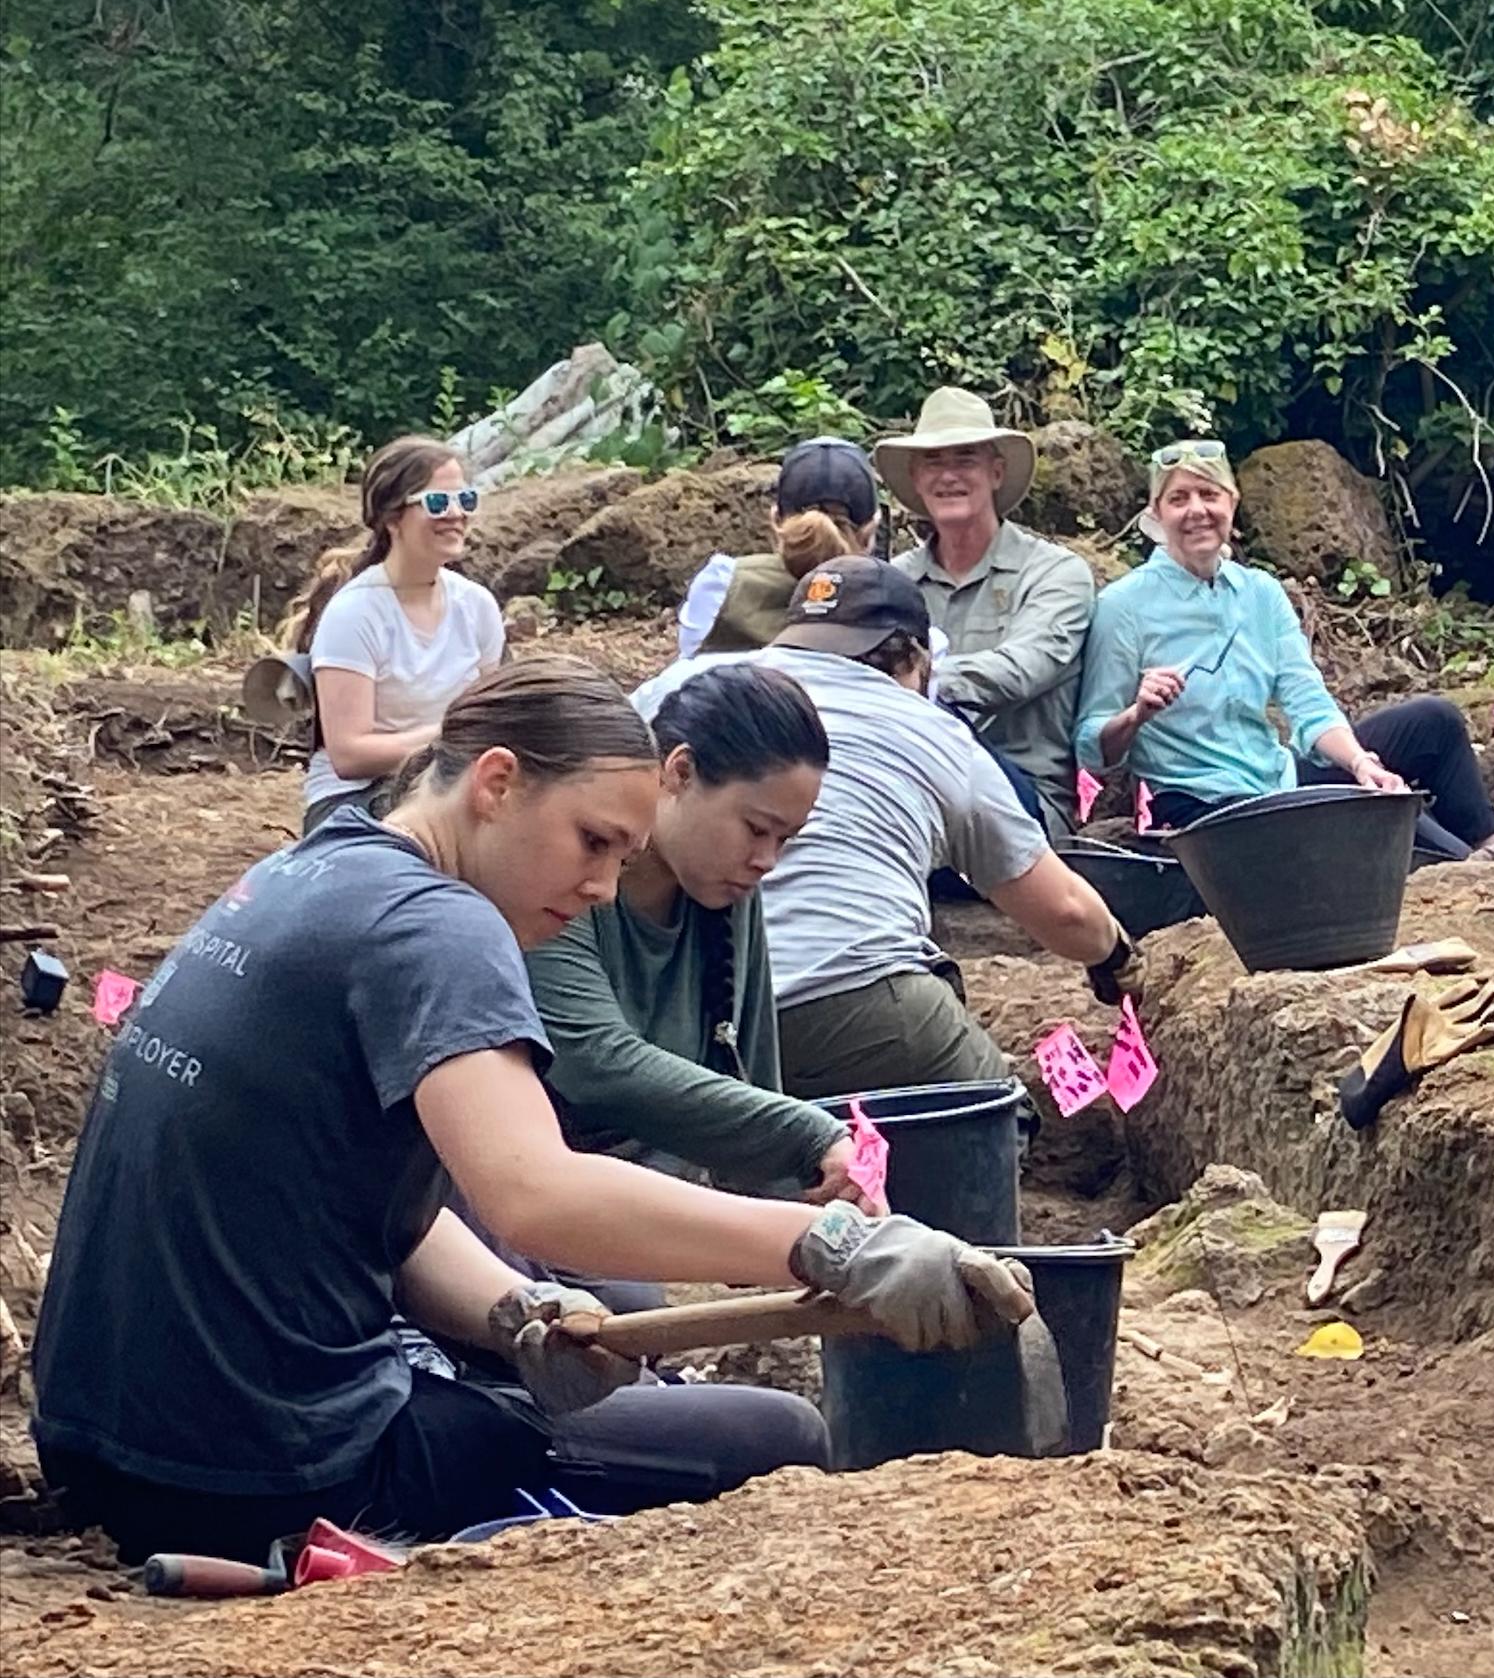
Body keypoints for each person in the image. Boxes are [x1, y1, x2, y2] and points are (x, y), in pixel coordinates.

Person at [30, 657, 1039, 1562]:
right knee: (776, 1438)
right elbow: (533, 1194)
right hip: (270, 1475)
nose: (603, 886)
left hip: (107, 1447)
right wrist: (831, 1244)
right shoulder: (439, 925)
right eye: (592, 842)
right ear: (497, 782)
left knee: (586, 1342)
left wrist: (516, 1317)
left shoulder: (315, 869)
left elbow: (385, 1212)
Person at [634, 557, 1136, 1100]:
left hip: (677, 1003)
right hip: (862, 999)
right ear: (916, 658)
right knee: (991, 1114)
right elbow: (1063, 909)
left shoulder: (680, 687)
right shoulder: (932, 729)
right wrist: (1117, 957)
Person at [524, 664, 868, 1207]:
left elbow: (753, 1081)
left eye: (786, 839)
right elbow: (595, 1063)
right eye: (756, 828)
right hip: (560, 1195)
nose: (767, 861)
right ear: (679, 772)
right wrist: (810, 1136)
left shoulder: (727, 891)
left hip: (671, 1199)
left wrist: (813, 1209)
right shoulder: (564, 876)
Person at [1074, 439, 1494, 861]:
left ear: (1232, 501)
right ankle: (1469, 872)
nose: (1196, 511)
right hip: (1206, 807)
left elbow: (1308, 704)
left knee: (1435, 721)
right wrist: (1137, 713)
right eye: (1178, 498)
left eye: (1209, 494)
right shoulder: (1123, 607)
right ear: (1157, 512)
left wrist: (1361, 763)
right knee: (1375, 811)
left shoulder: (1260, 593)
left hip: (1277, 778)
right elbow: (1093, 747)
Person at [875, 387, 1095, 842]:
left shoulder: (1055, 573)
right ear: (916, 477)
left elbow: (1023, 668)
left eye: (965, 458)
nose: (949, 474)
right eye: (933, 461)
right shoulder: (891, 582)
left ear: (996, 472)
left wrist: (917, 680)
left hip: (1021, 796)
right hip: (912, 782)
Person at [281, 436, 505, 835]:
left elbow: (495, 707)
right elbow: (349, 754)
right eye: (437, 503)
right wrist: (450, 736)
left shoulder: (478, 606)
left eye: (465, 500)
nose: (456, 514)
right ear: (392, 518)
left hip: (447, 780)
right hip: (357, 797)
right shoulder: (355, 613)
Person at [676, 436, 883, 659]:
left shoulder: (724, 584)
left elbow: (689, 665)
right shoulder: (891, 600)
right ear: (870, 530)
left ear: (775, 519)